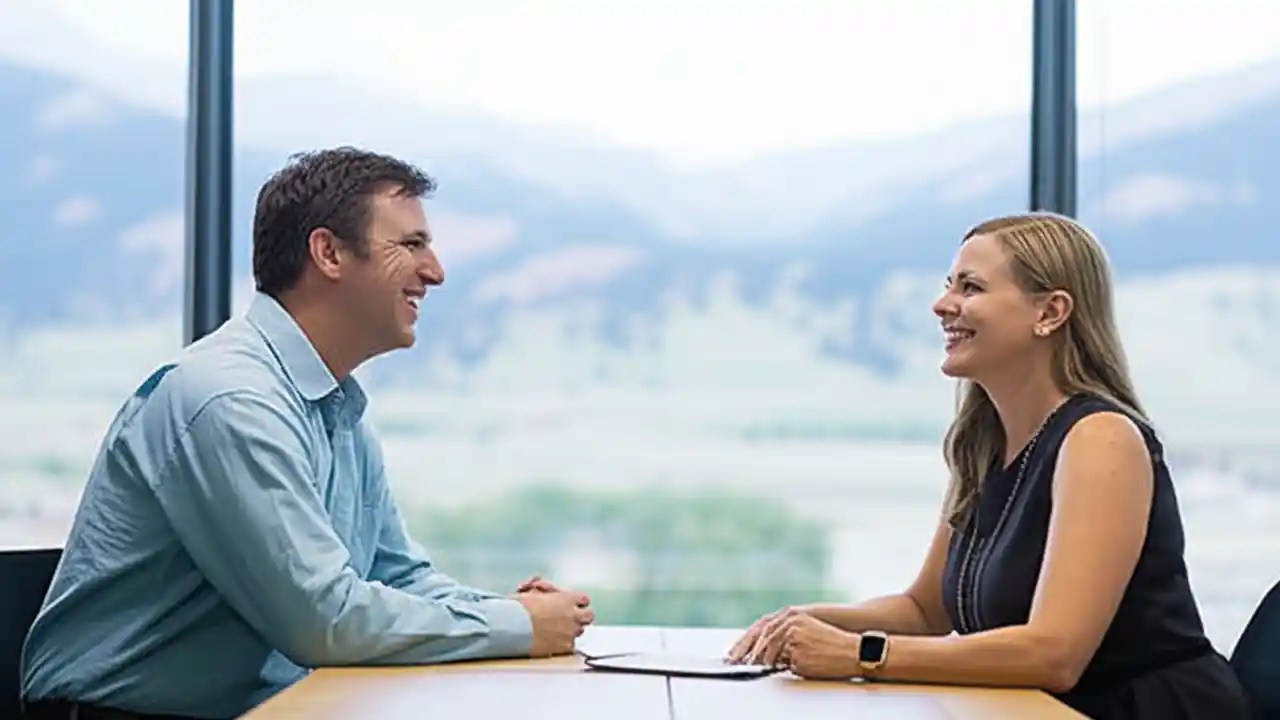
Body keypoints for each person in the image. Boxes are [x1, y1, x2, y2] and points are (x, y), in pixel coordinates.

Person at [20, 147, 595, 720]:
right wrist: (516, 626)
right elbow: (324, 622)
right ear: (328, 253)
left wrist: (512, 614)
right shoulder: (230, 400)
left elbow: (395, 576)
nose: (436, 271)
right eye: (412, 245)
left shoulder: (335, 404)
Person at [727, 212, 1255, 719]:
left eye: (969, 288)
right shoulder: (982, 445)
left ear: (1049, 313)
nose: (941, 305)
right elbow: (926, 612)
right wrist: (801, 623)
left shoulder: (1100, 439)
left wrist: (860, 654)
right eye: (948, 284)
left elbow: (1055, 654)